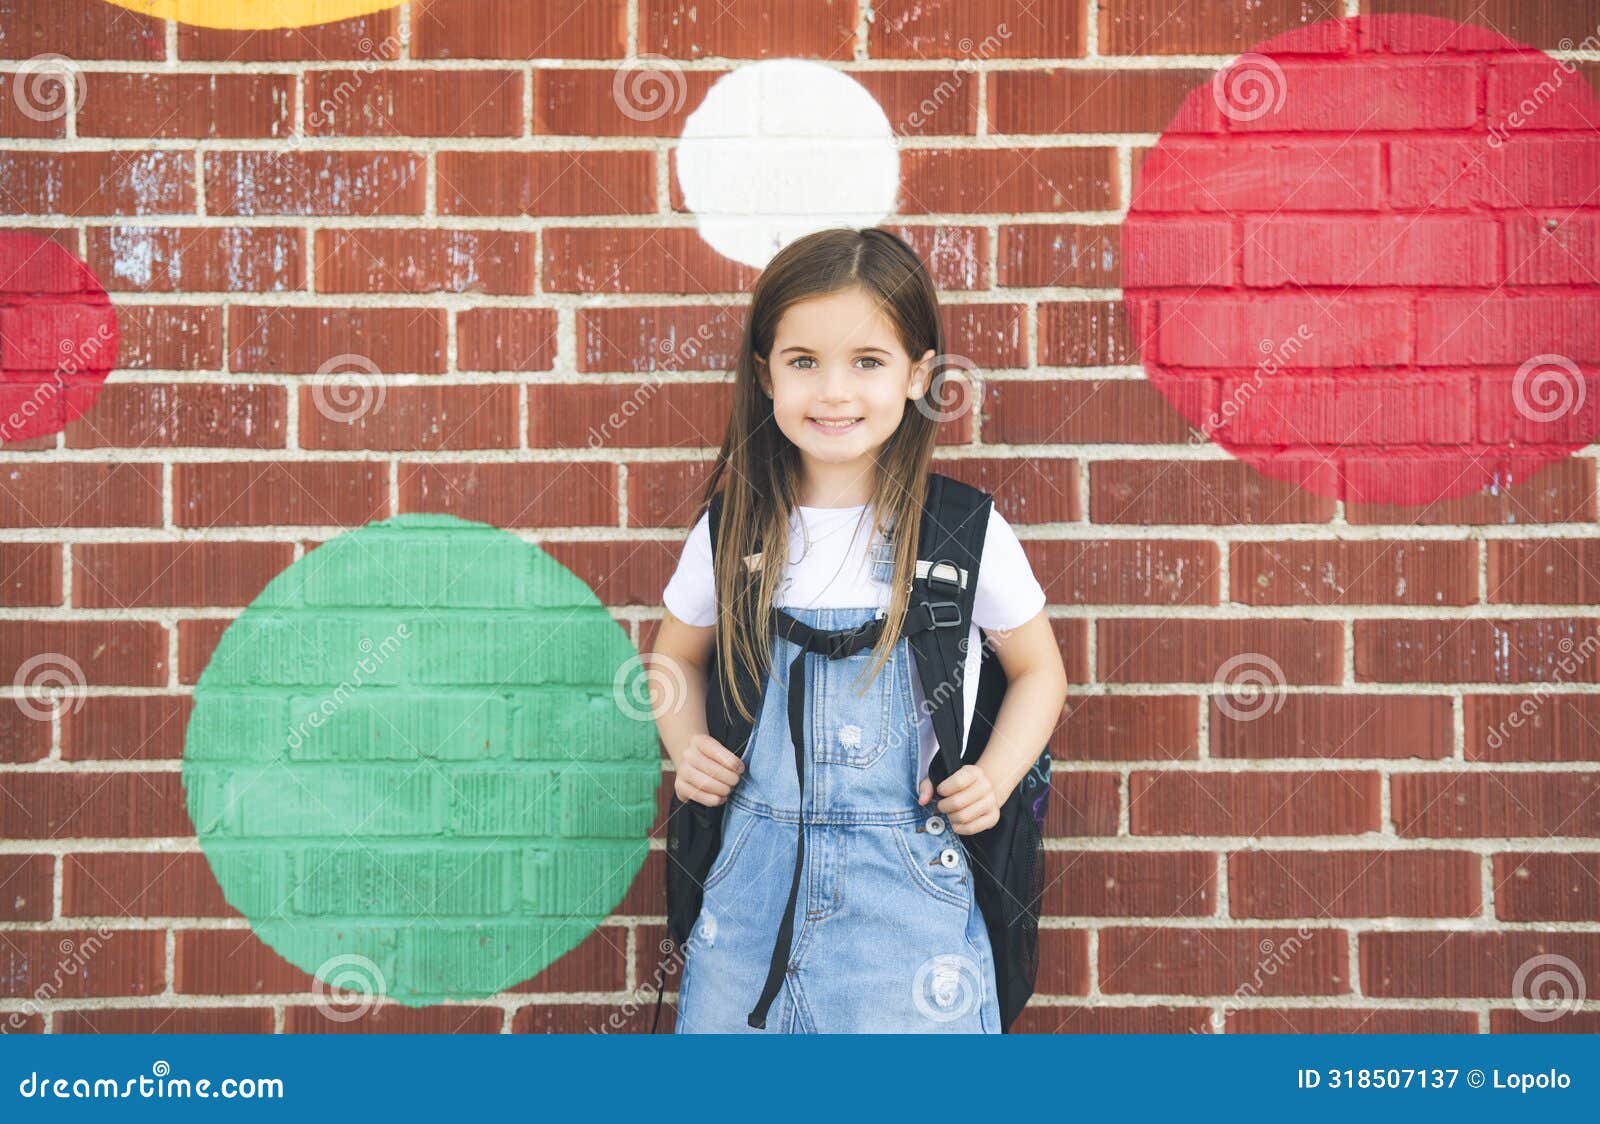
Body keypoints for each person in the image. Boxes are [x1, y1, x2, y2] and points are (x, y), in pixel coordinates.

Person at [649, 227, 1068, 1033]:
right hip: (751, 890)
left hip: (908, 899)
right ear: (765, 373)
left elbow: (1040, 671)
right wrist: (684, 740)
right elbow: (674, 656)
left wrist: (997, 775)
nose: (833, 391)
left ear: (917, 376)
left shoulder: (959, 531)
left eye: (867, 362)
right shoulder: (734, 528)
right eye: (803, 361)